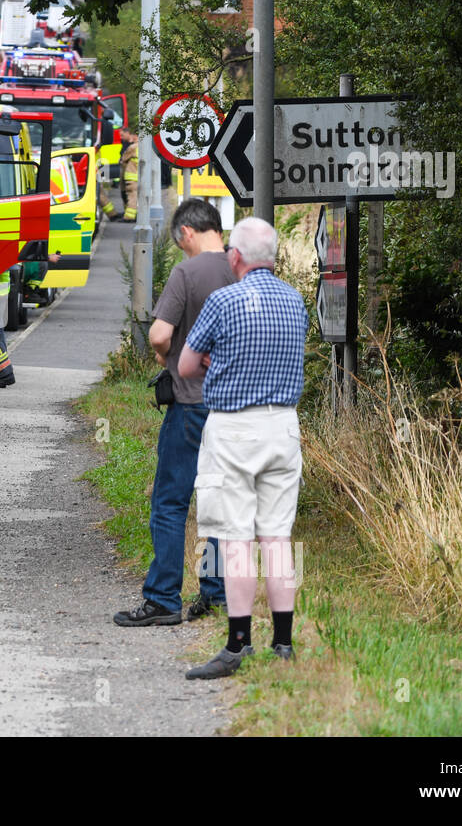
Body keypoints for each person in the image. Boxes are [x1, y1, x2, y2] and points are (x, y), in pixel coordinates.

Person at [177, 217, 309, 678]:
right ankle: (284, 644)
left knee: (236, 540)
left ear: (235, 257)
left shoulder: (223, 300)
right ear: (272, 258)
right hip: (283, 428)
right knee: (276, 538)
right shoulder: (295, 301)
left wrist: (220, 361)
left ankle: (237, 645)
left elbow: (188, 364)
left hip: (233, 430)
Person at [114, 200, 233, 626]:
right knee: (218, 501)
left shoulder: (188, 272)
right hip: (233, 408)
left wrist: (171, 358)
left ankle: (163, 598)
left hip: (190, 405)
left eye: (180, 242)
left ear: (186, 233)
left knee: (170, 502)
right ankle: (215, 595)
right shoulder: (244, 268)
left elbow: (160, 334)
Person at [119, 128, 139, 222]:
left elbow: (123, 158)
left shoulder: (133, 147)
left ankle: (129, 217)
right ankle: (133, 215)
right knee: (136, 196)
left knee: (131, 196)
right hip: (140, 177)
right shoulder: (146, 148)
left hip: (131, 176)